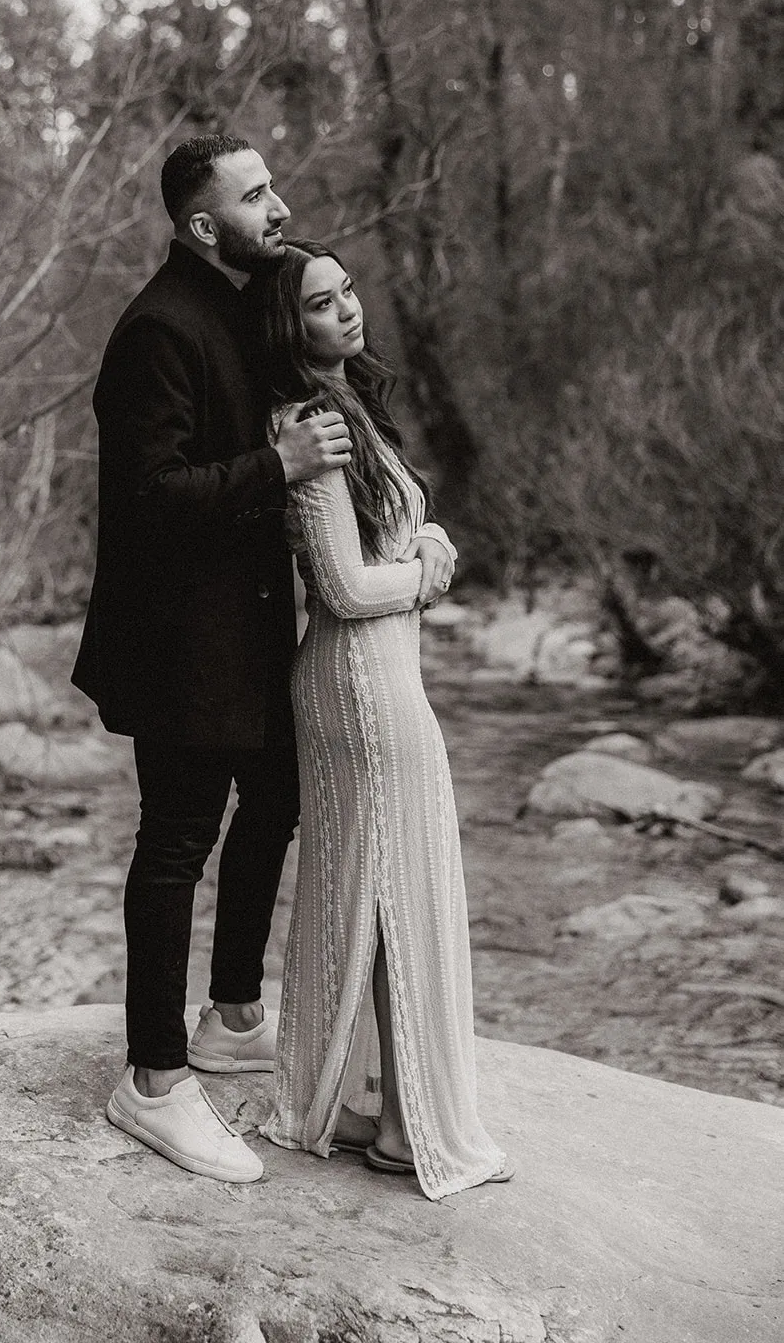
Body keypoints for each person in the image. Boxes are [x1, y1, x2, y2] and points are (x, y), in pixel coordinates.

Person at [72, 139, 454, 1185]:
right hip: (174, 643)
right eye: (252, 196)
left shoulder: (238, 309)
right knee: (175, 843)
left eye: (270, 185)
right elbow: (145, 499)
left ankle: (232, 1011)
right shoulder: (158, 329)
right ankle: (152, 1079)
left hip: (245, 637)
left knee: (277, 797)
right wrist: (275, 463)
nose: (276, 203)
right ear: (202, 225)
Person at [257, 238, 512, 1199]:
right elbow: (345, 587)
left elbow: (393, 535)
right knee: (393, 886)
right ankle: (404, 1123)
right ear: (292, 327)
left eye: (348, 289)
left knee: (386, 884)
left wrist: (428, 540)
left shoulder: (353, 407)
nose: (347, 310)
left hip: (376, 673)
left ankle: (381, 1104)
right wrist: (425, 573)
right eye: (322, 303)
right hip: (360, 685)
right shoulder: (307, 422)